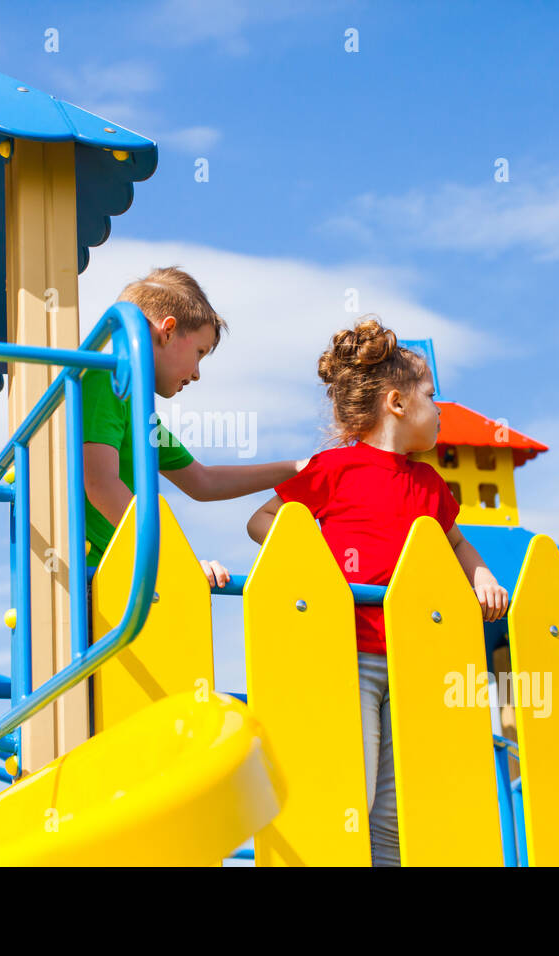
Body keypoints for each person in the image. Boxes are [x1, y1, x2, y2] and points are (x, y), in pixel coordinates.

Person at [246, 317, 509, 866]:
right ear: (396, 402)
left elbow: (457, 545)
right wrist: (319, 571)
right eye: (431, 396)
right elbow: (263, 521)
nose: (440, 410)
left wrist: (481, 575)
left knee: (395, 805)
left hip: (413, 656)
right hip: (351, 653)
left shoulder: (431, 486)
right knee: (353, 790)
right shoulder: (334, 469)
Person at [83, 266, 306, 586]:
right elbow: (100, 483)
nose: (198, 372)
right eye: (199, 352)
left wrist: (296, 468)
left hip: (118, 574)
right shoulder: (103, 381)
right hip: (89, 579)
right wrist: (173, 559)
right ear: (168, 330)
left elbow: (202, 481)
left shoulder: (137, 409)